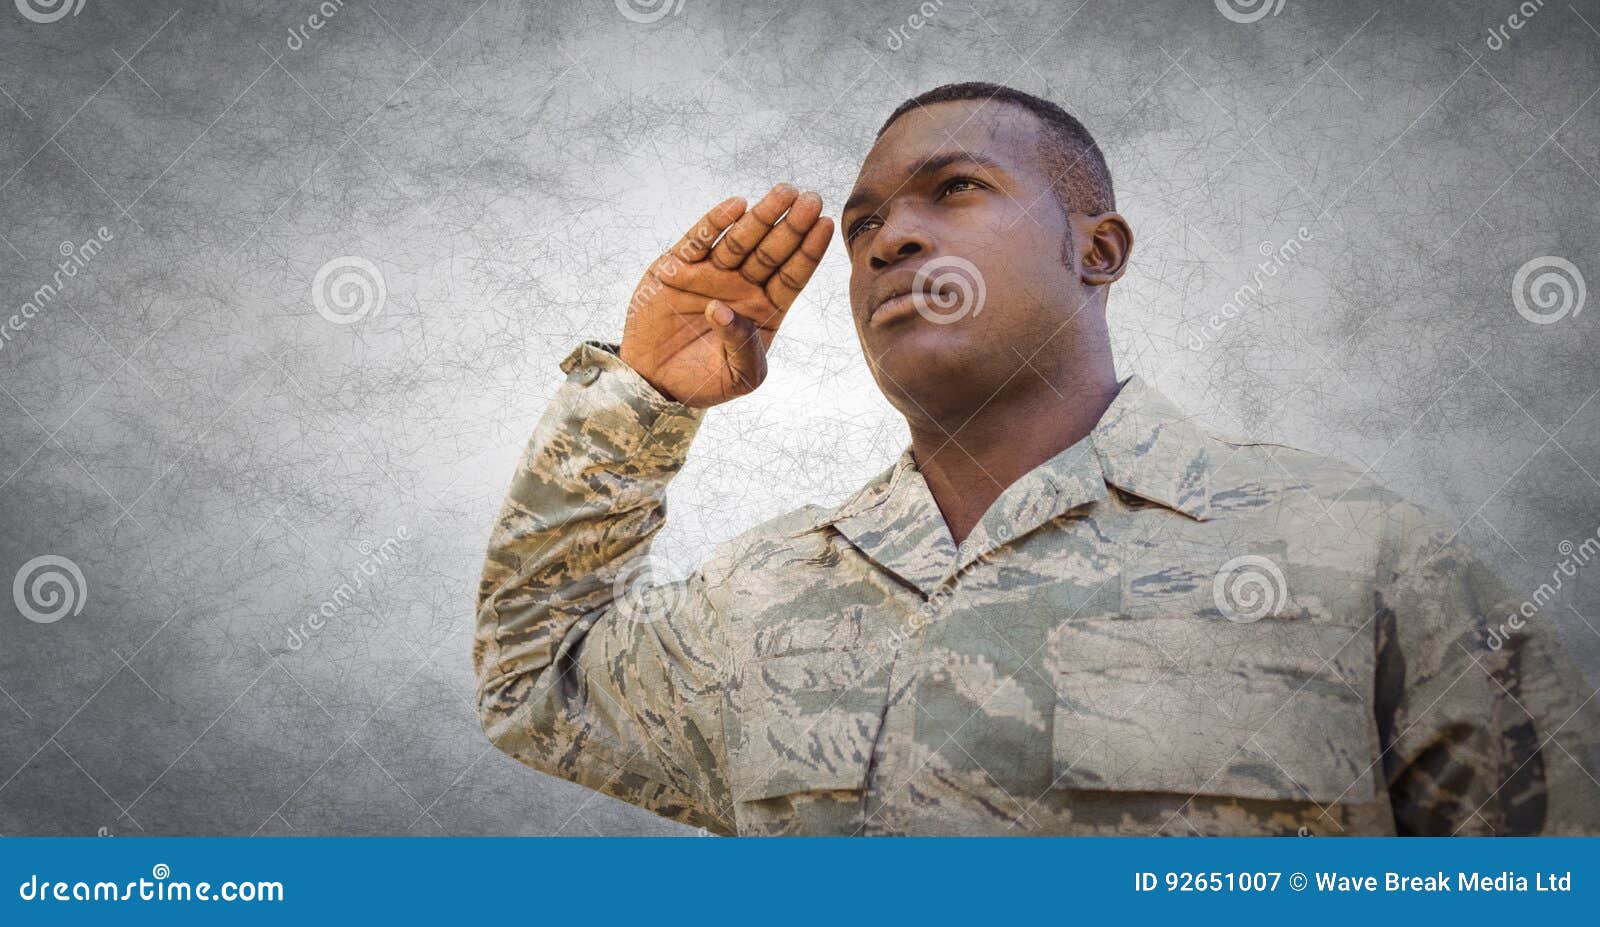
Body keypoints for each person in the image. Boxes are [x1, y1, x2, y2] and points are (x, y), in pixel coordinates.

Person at [473, 82, 1590, 836]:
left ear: (1096, 247)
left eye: (954, 190)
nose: (890, 240)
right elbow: (536, 680)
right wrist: (642, 395)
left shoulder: (1359, 560)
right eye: (862, 228)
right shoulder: (758, 598)